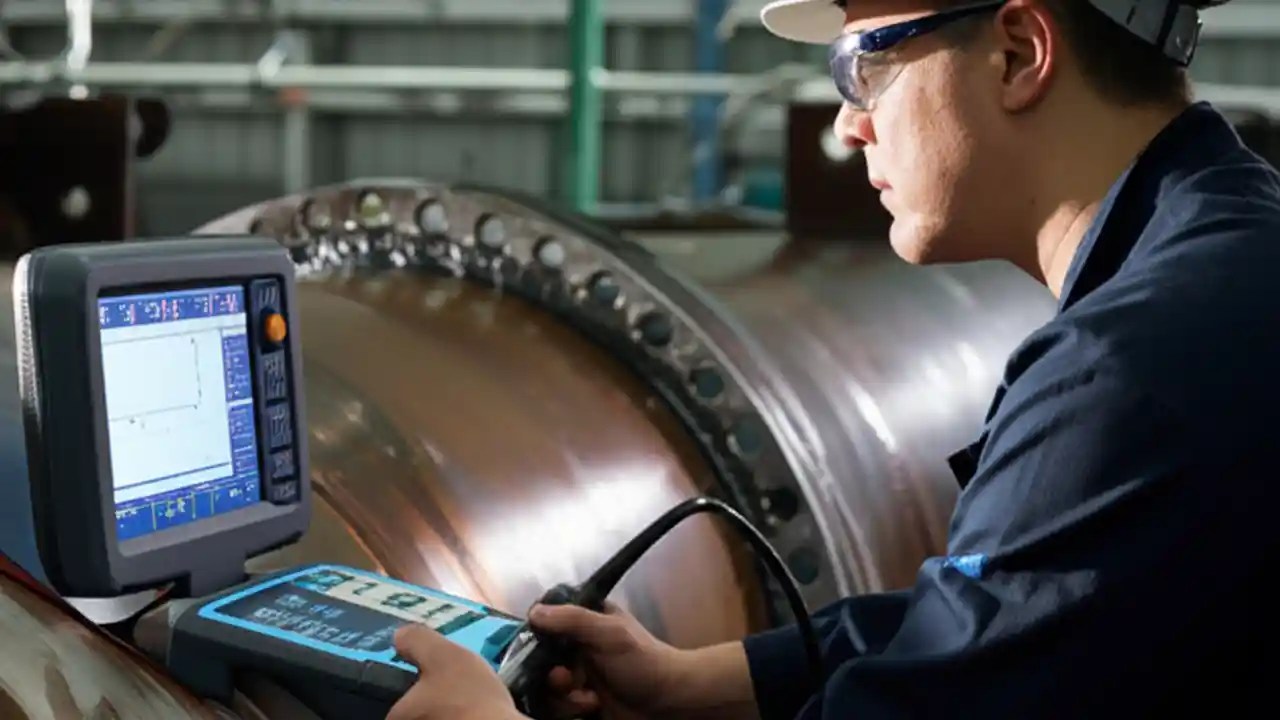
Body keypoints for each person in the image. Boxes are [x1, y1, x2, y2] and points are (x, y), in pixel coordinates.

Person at [387, 0, 1280, 717]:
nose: (851, 124)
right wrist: (697, 680)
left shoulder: (1123, 375)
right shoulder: (1231, 262)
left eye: (867, 66)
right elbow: (1015, 616)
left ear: (1017, 52)